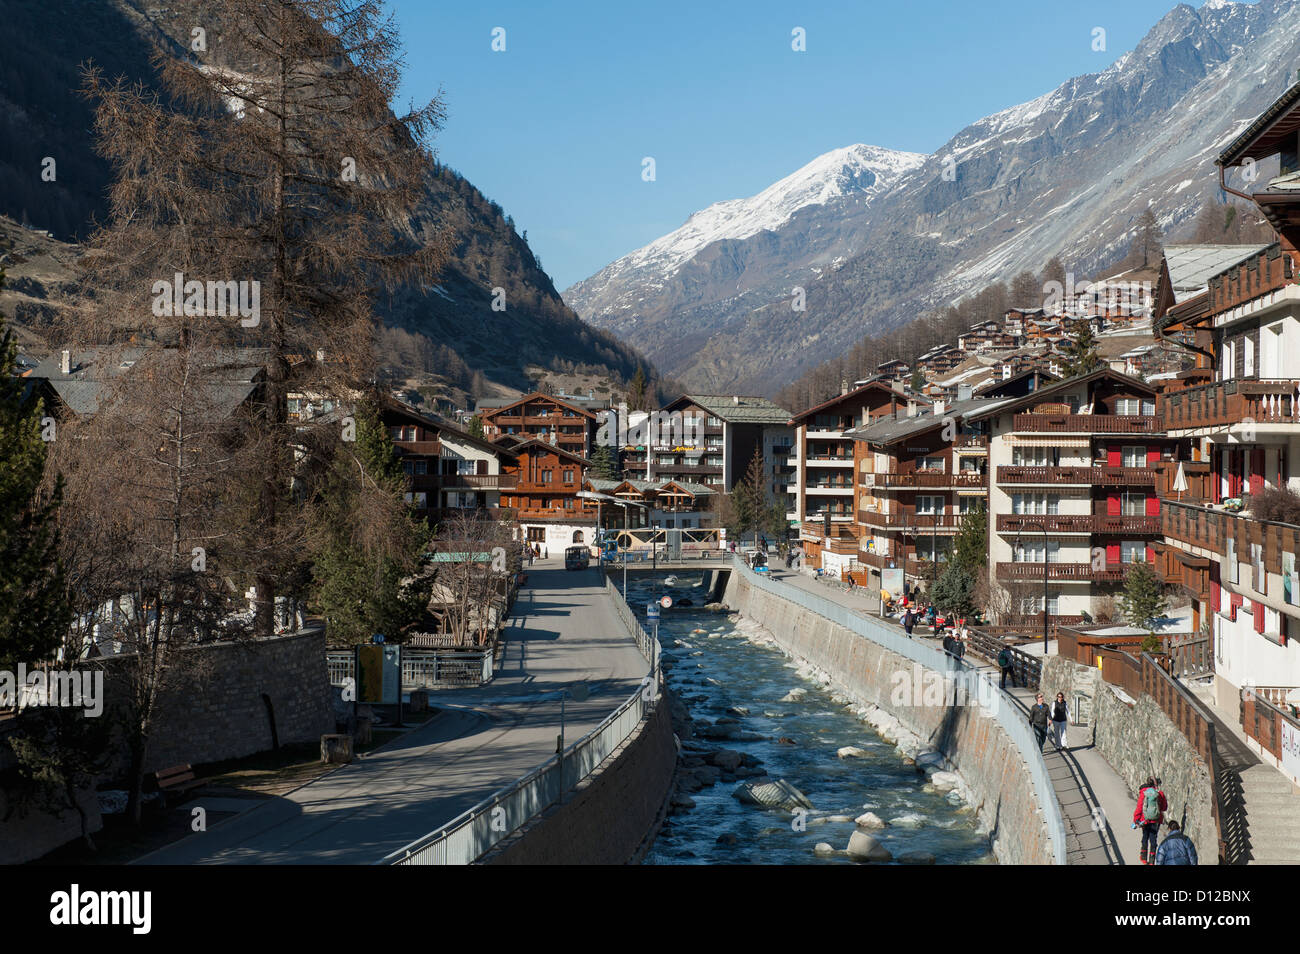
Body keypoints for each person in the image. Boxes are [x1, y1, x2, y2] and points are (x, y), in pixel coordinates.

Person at [1132, 776, 1168, 865]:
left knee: (1145, 837)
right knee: (1153, 839)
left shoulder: (1143, 793)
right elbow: (1164, 808)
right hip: (1156, 820)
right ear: (1155, 783)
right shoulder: (1159, 793)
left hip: (1145, 820)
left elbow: (1139, 807)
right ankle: (1152, 860)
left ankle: (1143, 857)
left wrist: (1136, 819)